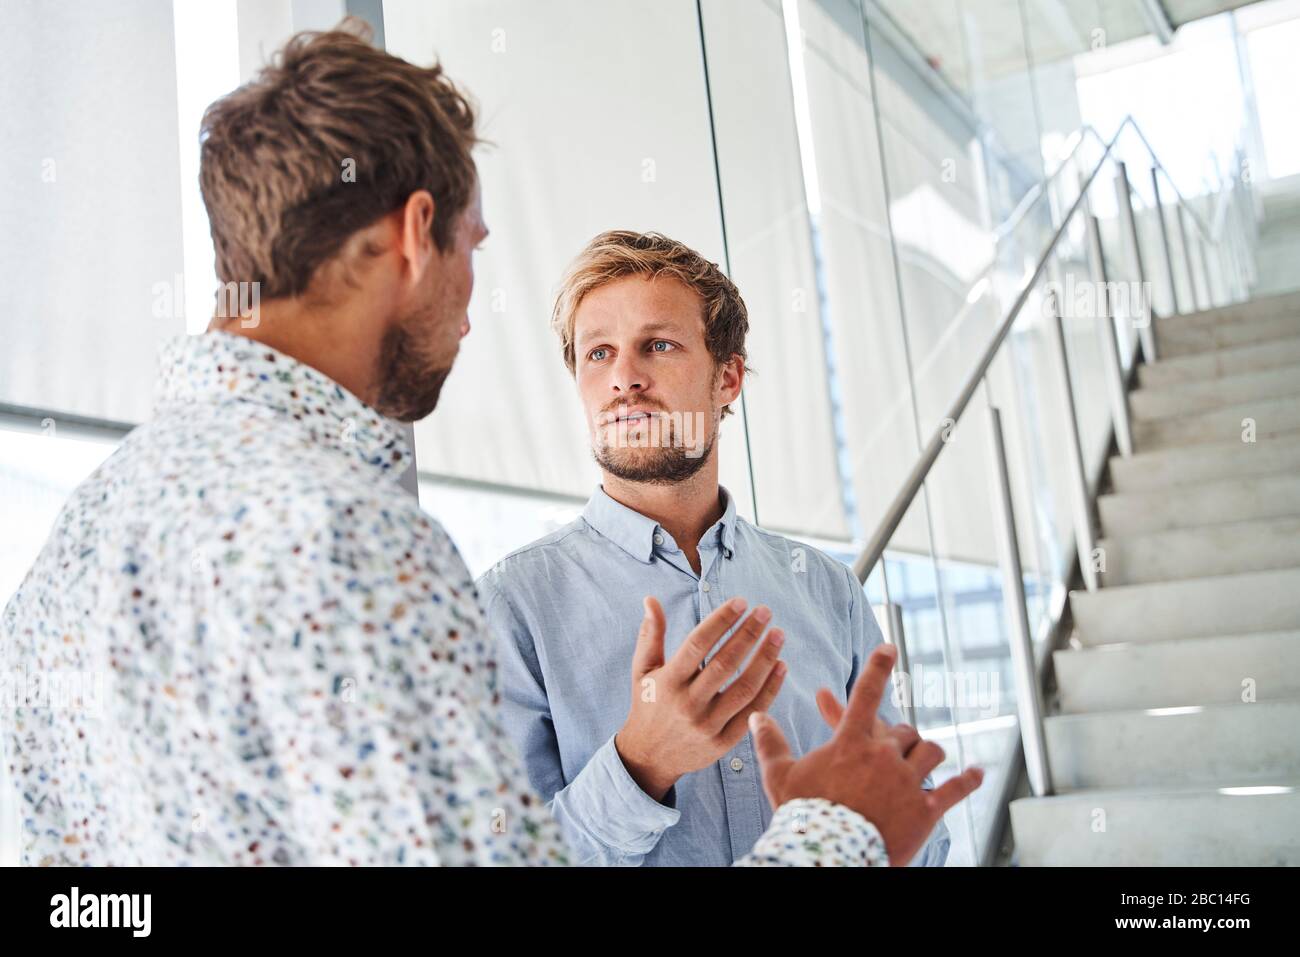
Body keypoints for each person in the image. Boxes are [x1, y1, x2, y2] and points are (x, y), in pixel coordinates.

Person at [0, 19, 980, 867]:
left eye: (656, 347)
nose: (471, 309)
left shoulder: (73, 546)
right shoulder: (346, 542)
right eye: (474, 245)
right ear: (417, 233)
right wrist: (834, 833)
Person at [477, 231, 951, 866]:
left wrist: (858, 829)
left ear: (727, 377)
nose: (624, 379)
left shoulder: (826, 590)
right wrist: (641, 765)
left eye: (659, 345)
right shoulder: (507, 607)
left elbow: (919, 832)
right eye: (598, 354)